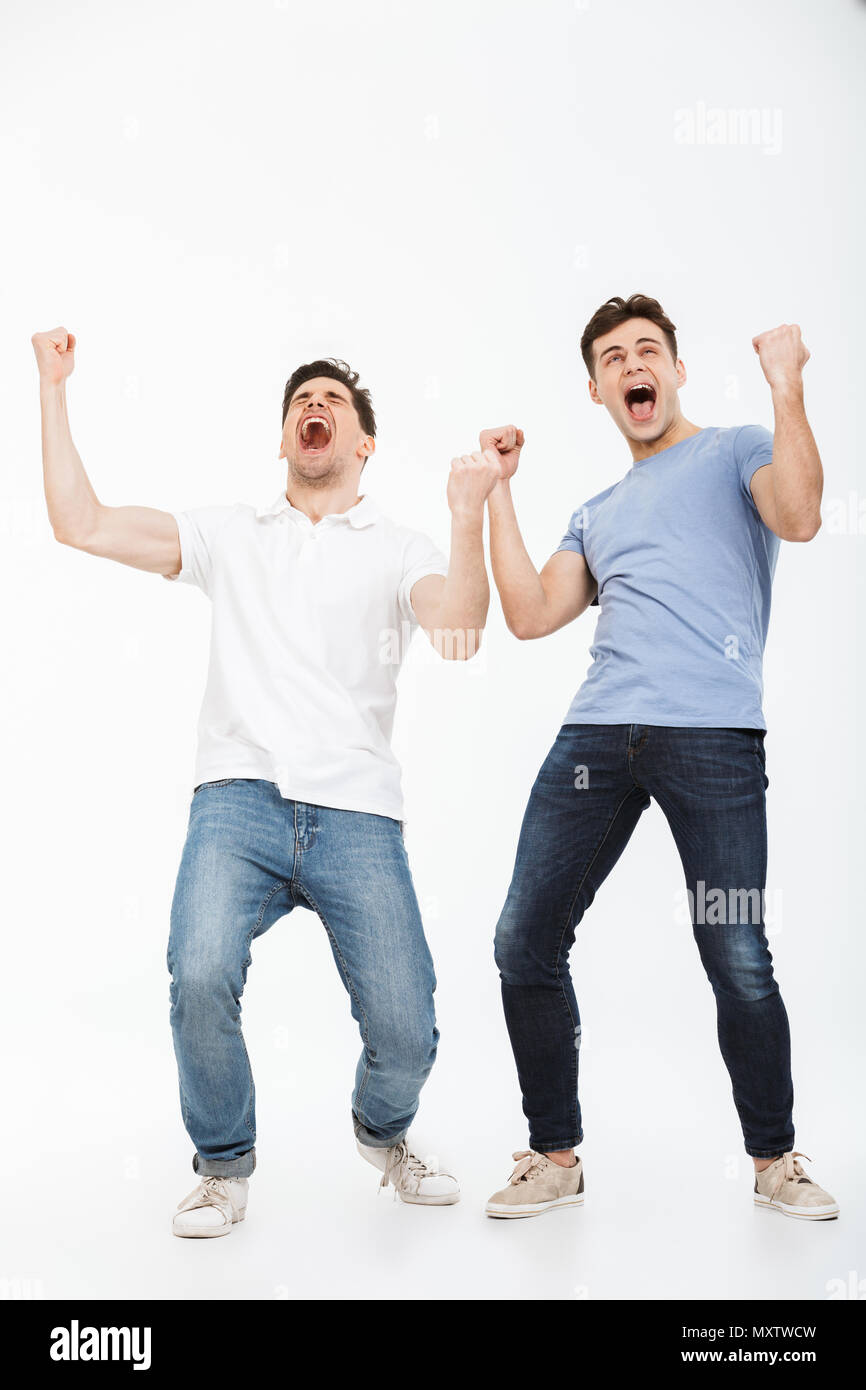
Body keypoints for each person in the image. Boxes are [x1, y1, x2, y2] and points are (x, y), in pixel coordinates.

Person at [33, 328, 500, 1236]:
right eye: (298, 403)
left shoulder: (397, 546)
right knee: (199, 973)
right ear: (284, 439)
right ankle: (222, 1165)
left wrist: (468, 512)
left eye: (332, 402)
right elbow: (80, 523)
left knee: (407, 1028)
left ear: (364, 442)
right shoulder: (229, 535)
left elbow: (460, 629)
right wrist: (54, 387)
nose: (313, 408)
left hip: (358, 811)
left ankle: (383, 1132)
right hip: (237, 801)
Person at [480, 294, 839, 1222]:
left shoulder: (735, 450)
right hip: (599, 737)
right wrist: (496, 492)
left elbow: (798, 517)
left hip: (713, 739)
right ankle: (554, 1155)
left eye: (648, 350)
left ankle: (775, 1160)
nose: (632, 365)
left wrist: (787, 386)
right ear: (598, 389)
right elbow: (528, 615)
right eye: (612, 357)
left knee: (735, 948)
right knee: (524, 938)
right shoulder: (595, 510)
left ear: (675, 370)